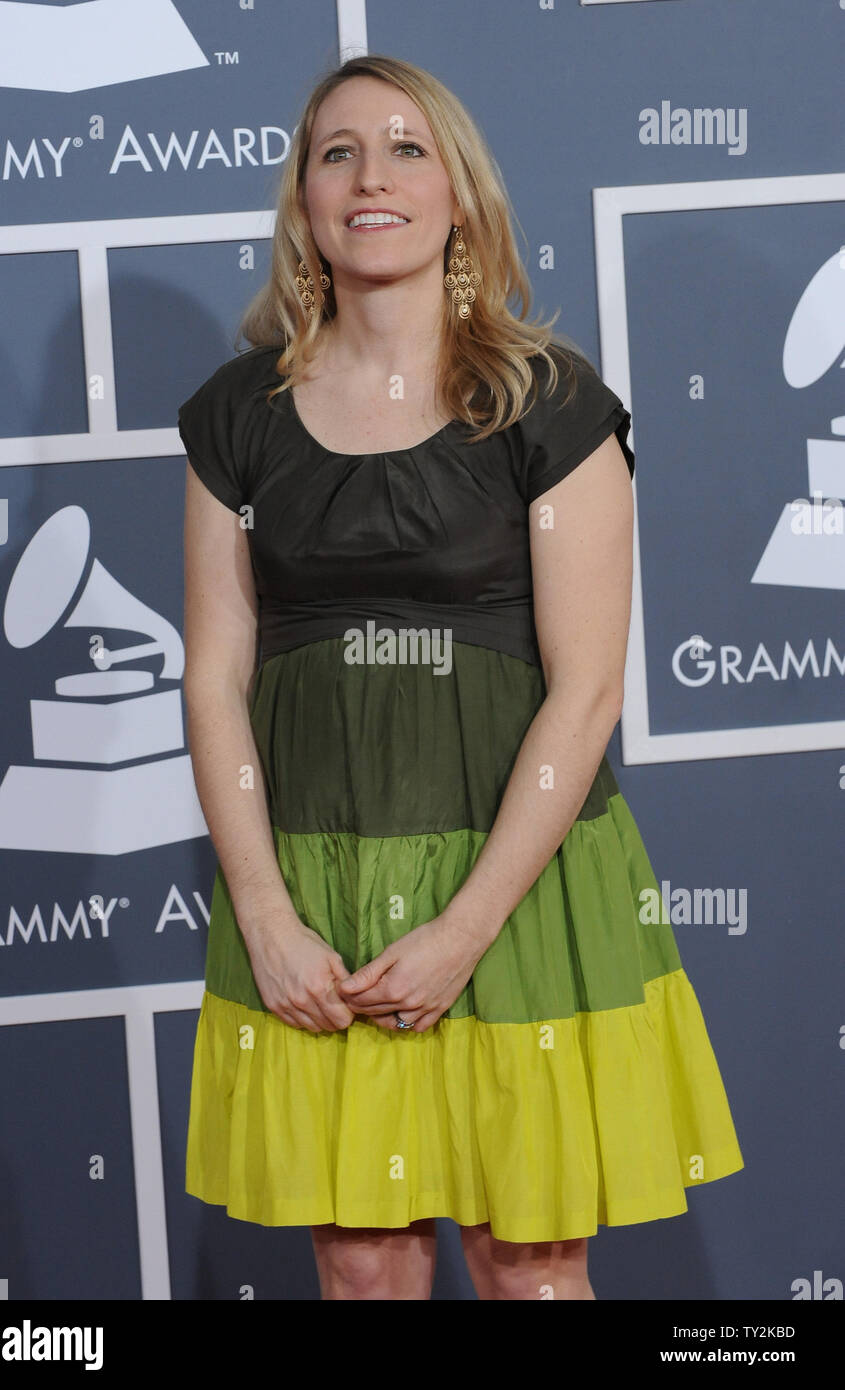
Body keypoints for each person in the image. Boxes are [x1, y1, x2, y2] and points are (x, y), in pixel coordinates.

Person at [178, 53, 744, 1301]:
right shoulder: (235, 414)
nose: (369, 177)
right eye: (337, 152)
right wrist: (266, 916)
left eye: (403, 147)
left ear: (459, 195)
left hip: (516, 884)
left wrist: (465, 928)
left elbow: (585, 692)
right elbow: (212, 678)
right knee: (362, 1263)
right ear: (304, 201)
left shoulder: (544, 404)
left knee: (526, 1260)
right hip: (317, 891)